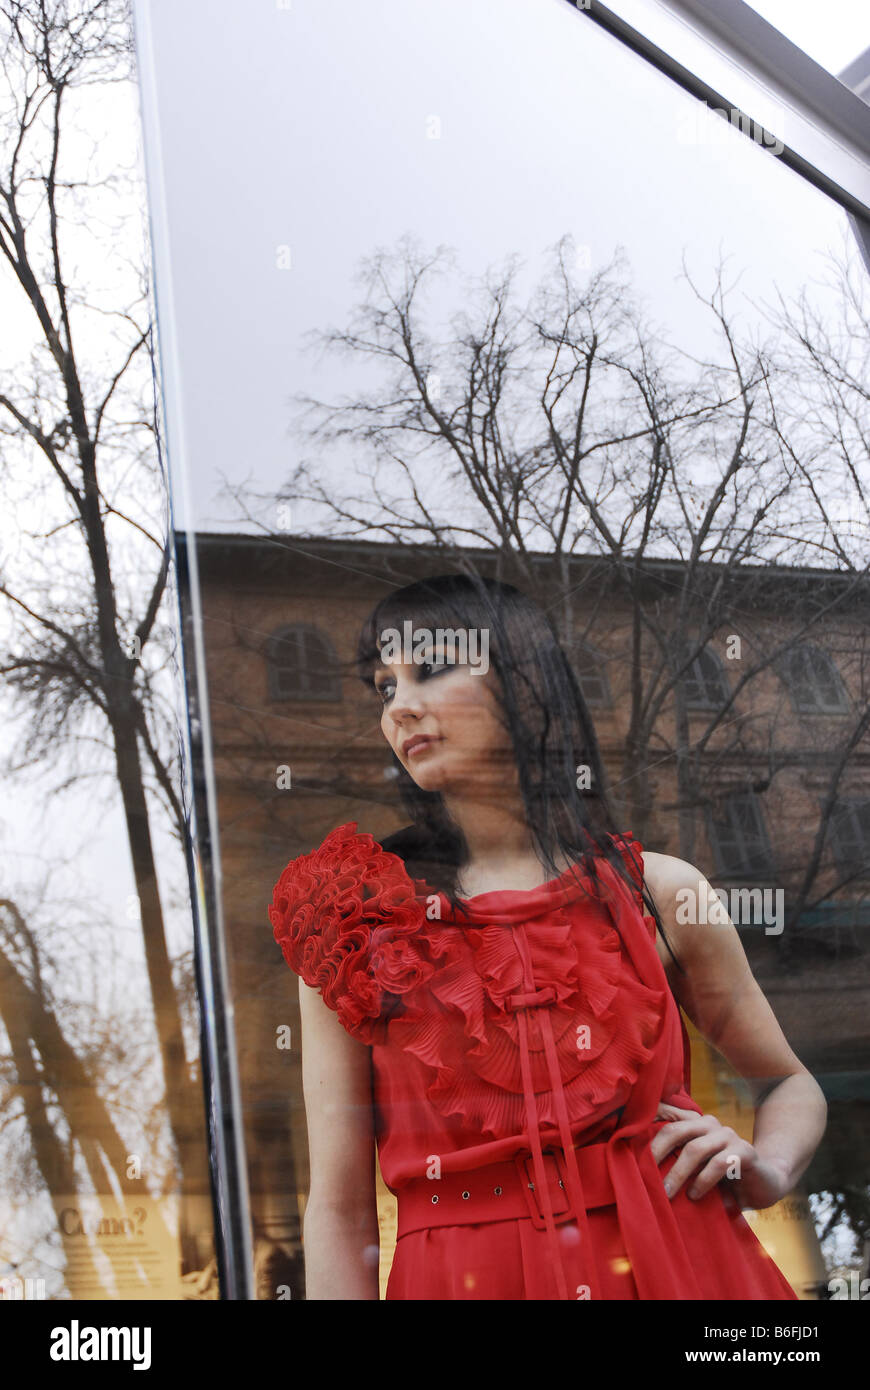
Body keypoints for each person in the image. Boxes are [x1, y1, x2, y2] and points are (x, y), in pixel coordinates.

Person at [267, 573, 827, 1300]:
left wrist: (766, 1170)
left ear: (526, 684)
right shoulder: (351, 920)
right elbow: (340, 1213)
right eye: (384, 687)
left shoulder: (660, 891)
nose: (401, 706)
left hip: (686, 1265)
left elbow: (789, 1081)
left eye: (430, 669)